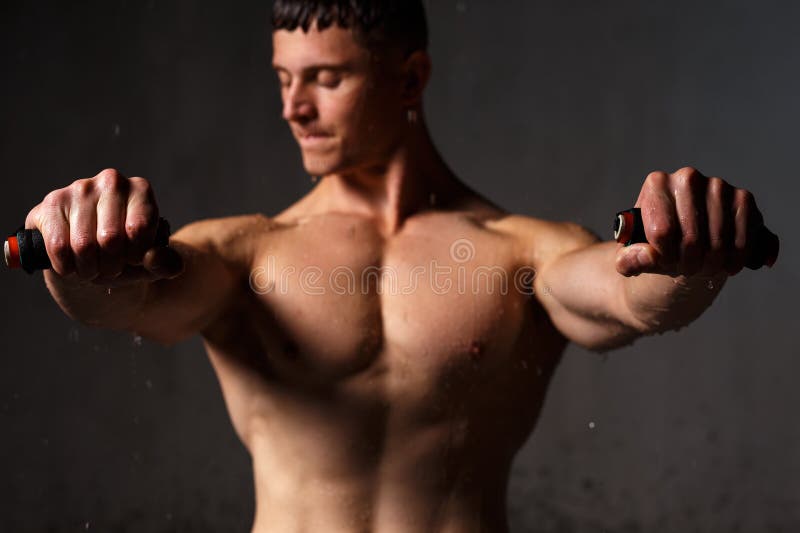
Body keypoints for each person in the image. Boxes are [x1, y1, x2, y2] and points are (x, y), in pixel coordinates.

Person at [23, 1, 778, 531]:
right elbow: (121, 301)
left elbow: (627, 296)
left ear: (410, 79)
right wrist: (74, 256)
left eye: (325, 78)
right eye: (284, 79)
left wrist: (687, 260)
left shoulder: (517, 248)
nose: (293, 108)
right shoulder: (245, 252)